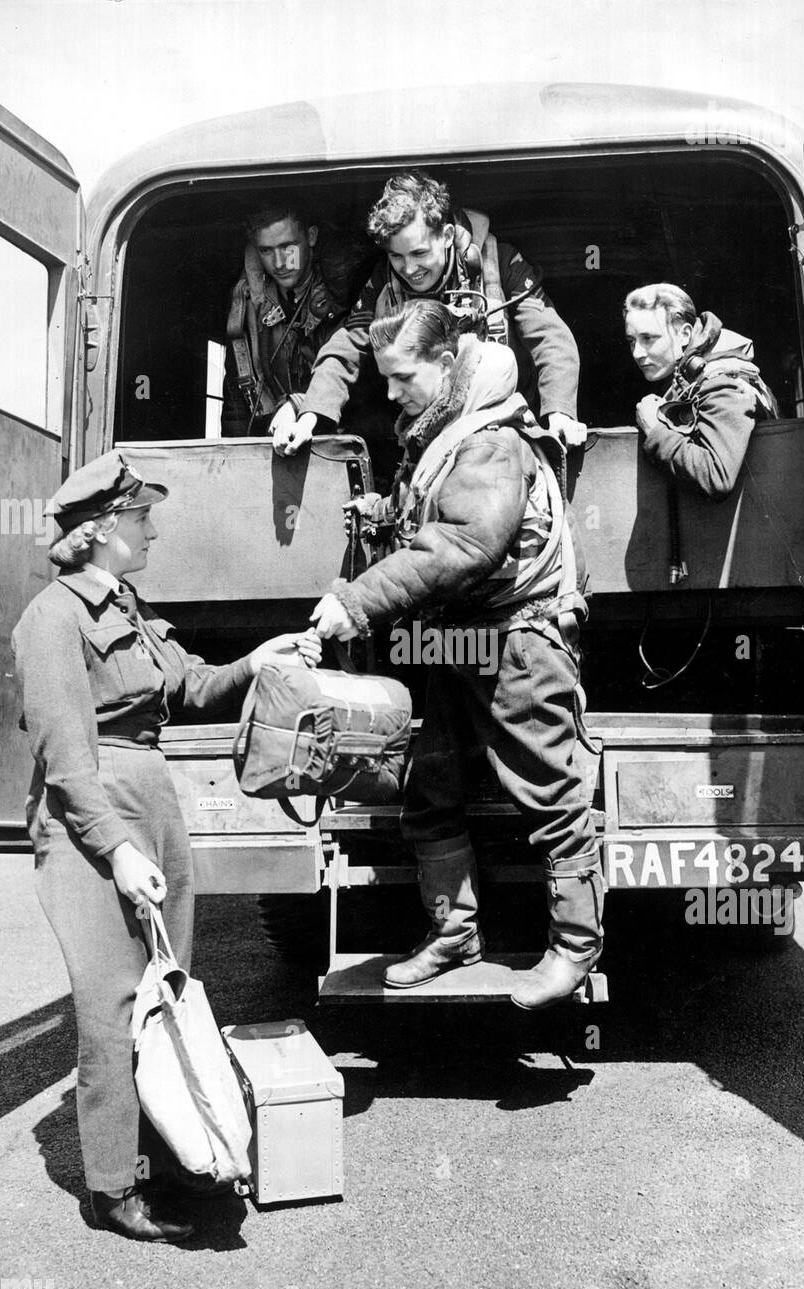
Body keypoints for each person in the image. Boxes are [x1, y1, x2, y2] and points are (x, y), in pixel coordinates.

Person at [12, 451, 320, 1242]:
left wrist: (259, 661)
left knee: (164, 994)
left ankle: (178, 1157)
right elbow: (66, 758)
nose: (153, 526)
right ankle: (114, 1191)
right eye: (141, 516)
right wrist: (115, 849)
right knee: (113, 1008)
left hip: (151, 803)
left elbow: (188, 686)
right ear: (105, 529)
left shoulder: (128, 605)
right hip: (96, 820)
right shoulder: (52, 619)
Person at [309, 299, 604, 1010]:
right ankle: (453, 935)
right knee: (429, 785)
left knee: (551, 793)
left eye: (402, 377)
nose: (390, 394)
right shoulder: (446, 428)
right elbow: (439, 524)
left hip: (517, 640)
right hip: (457, 639)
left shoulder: (490, 441)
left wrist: (356, 601)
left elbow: (466, 545)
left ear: (445, 365)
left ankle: (572, 949)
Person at [271, 169, 587, 460]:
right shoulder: (383, 281)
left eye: (420, 253)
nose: (409, 269)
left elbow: (551, 338)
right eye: (397, 256)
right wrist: (311, 414)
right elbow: (346, 347)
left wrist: (559, 413)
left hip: (499, 431)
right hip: (423, 434)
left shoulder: (498, 263)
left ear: (447, 235)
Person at [221, 202, 374, 436]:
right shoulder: (249, 308)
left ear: (311, 237)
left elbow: (360, 380)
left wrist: (300, 405)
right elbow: (237, 406)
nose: (280, 262)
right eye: (266, 250)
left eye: (287, 246)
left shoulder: (344, 296)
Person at [624, 282, 778, 498]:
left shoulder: (723, 380)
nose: (637, 353)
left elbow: (718, 476)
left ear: (685, 334)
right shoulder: (686, 378)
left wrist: (656, 432)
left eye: (649, 338)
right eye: (632, 341)